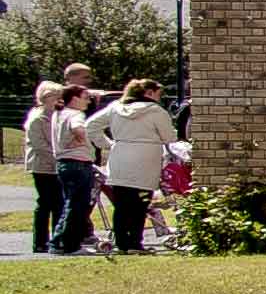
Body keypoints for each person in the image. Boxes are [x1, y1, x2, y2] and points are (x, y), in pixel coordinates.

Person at [91, 78, 176, 256]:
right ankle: (135, 242)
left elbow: (91, 126)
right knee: (140, 203)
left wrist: (108, 144)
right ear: (149, 93)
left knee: (121, 204)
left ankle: (122, 243)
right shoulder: (156, 111)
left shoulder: (115, 107)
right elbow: (169, 137)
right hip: (146, 159)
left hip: (120, 157)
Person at [44, 85, 100, 258]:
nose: (88, 101)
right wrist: (82, 139)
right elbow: (78, 129)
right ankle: (70, 244)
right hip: (78, 163)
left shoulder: (59, 114)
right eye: (85, 97)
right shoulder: (76, 114)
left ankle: (58, 241)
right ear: (75, 98)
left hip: (64, 164)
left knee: (71, 203)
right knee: (78, 205)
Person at [18, 82, 56, 255]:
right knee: (46, 202)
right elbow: (39, 145)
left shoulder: (55, 115)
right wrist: (57, 158)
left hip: (55, 165)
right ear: (46, 98)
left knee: (59, 204)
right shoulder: (37, 118)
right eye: (57, 97)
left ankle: (57, 239)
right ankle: (40, 242)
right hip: (42, 165)